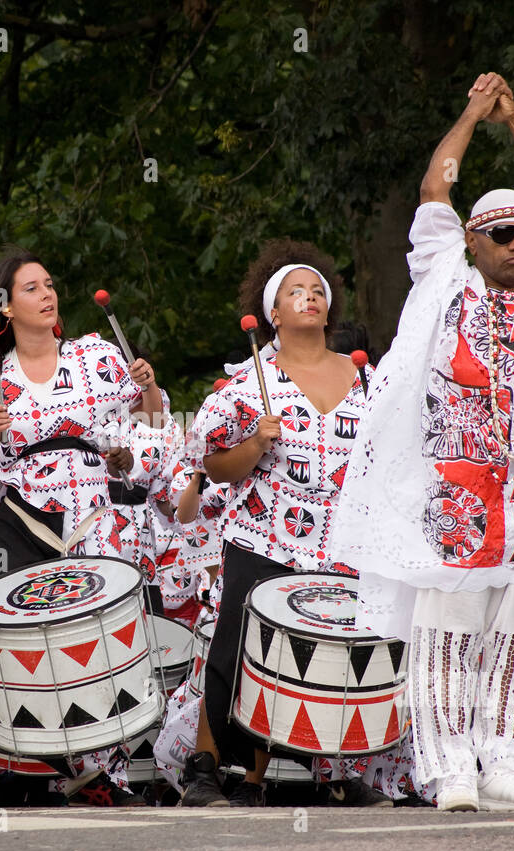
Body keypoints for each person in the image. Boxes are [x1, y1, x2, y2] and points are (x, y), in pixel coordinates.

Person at [330, 72, 514, 812]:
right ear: (472, 240)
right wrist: (475, 113)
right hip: (456, 490)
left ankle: (504, 760)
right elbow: (434, 191)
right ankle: (449, 771)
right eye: (502, 233)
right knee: (447, 626)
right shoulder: (443, 275)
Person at [0, 247, 162, 811]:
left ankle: (86, 771)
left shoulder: (96, 356)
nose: (48, 295)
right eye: (32, 288)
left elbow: (151, 421)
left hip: (91, 519)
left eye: (49, 284)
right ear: (7, 307)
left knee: (93, 642)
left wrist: (150, 388)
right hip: (18, 518)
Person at [179, 237, 375, 808]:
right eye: (295, 291)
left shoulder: (364, 377)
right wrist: (253, 445)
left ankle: (329, 773)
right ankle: (205, 768)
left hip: (338, 545)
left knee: (328, 652)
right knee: (240, 649)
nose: (310, 298)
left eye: (317, 290)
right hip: (264, 538)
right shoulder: (250, 381)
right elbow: (214, 465)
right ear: (272, 313)